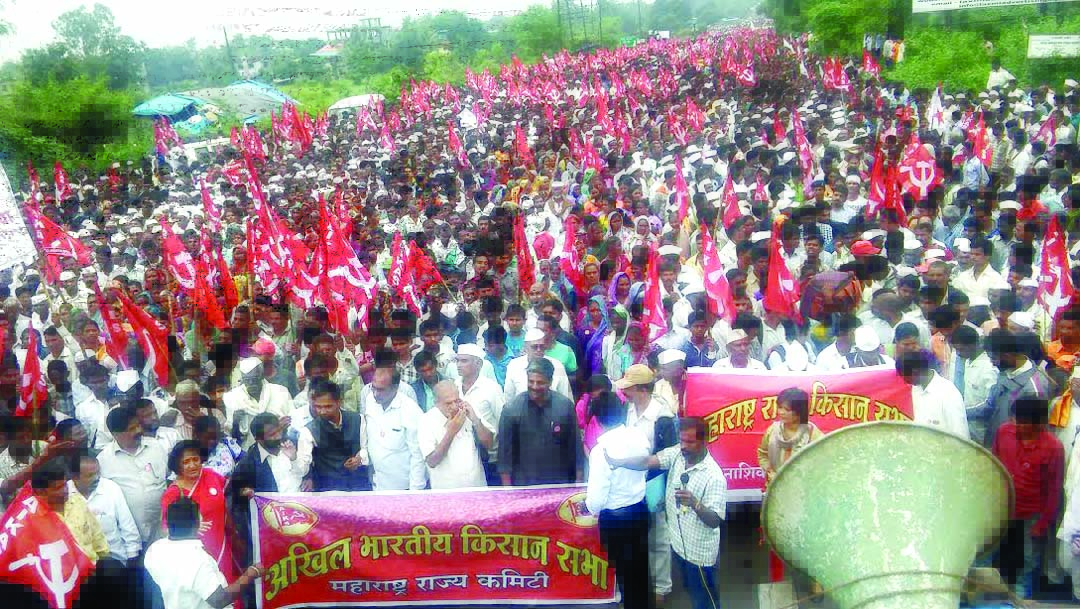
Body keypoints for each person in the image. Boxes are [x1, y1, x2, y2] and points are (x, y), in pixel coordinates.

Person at [606, 417, 726, 609]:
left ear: (704, 442)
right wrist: (619, 462)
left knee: (706, 601)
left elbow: (715, 521)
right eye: (682, 440)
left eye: (690, 442)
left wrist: (695, 503)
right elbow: (647, 461)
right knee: (692, 594)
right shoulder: (677, 454)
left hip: (699, 556)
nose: (684, 446)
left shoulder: (713, 476)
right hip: (679, 547)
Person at [585, 391, 653, 609]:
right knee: (641, 570)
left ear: (597, 420)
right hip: (640, 510)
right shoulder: (638, 436)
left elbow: (596, 500)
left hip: (617, 521)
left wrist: (589, 507)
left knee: (625, 573)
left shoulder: (600, 451)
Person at [992, 397, 1064, 599]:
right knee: (990, 548)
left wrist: (1043, 523)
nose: (1018, 426)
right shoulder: (1003, 432)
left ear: (1040, 424)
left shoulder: (1053, 448)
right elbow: (993, 462)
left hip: (1033, 510)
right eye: (1016, 420)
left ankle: (1022, 593)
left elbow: (1054, 489)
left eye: (1024, 422)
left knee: (1030, 556)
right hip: (1002, 505)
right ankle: (987, 588)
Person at [145, 497, 263, 609]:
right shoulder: (196, 560)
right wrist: (251, 573)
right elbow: (219, 600)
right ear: (197, 523)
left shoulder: (154, 549)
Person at [498, 358, 582, 486]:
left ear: (550, 382)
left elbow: (575, 447)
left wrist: (578, 482)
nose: (535, 387)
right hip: (524, 486)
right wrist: (508, 492)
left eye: (540, 382)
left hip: (558, 484)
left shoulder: (565, 406)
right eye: (531, 381)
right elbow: (504, 455)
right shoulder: (512, 409)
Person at [160, 440, 235, 582]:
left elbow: (229, 488)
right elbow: (165, 528)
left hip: (221, 544)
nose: (192, 465)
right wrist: (189, 526)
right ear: (177, 466)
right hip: (196, 552)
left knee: (228, 587)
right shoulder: (174, 493)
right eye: (186, 462)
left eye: (196, 459)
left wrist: (244, 491)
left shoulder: (210, 475)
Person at [97, 405, 168, 546]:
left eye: (138, 426)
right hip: (131, 540)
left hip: (162, 534)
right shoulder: (103, 461)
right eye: (131, 429)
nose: (139, 431)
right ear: (116, 434)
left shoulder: (156, 447)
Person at [361, 361, 427, 490]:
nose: (375, 394)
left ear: (396, 387)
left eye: (381, 390)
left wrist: (415, 491)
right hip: (377, 484)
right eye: (373, 387)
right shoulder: (370, 400)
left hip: (404, 488)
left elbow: (418, 455)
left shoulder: (410, 410)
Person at [296, 379, 369, 491]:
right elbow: (303, 466)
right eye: (318, 407)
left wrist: (360, 458)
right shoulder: (308, 431)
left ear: (339, 402)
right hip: (327, 489)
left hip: (358, 485)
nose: (322, 411)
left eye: (328, 406)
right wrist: (294, 459)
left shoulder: (358, 419)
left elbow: (366, 447)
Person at [70, 452, 143, 563]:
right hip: (80, 565)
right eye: (90, 475)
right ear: (75, 477)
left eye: (98, 473)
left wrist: (132, 556)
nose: (96, 478)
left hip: (114, 559)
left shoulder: (110, 488)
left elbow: (127, 526)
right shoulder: (64, 494)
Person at [418, 380, 493, 489]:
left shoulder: (468, 410)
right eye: (448, 403)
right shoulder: (426, 421)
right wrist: (451, 432)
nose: (454, 406)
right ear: (436, 403)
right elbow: (432, 461)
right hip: (446, 494)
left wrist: (476, 421)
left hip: (477, 489)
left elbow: (490, 444)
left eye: (457, 401)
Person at [895, 350, 970, 439]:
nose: (904, 381)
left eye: (905, 377)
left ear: (915, 372)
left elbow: (961, 436)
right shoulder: (915, 390)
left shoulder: (948, 393)